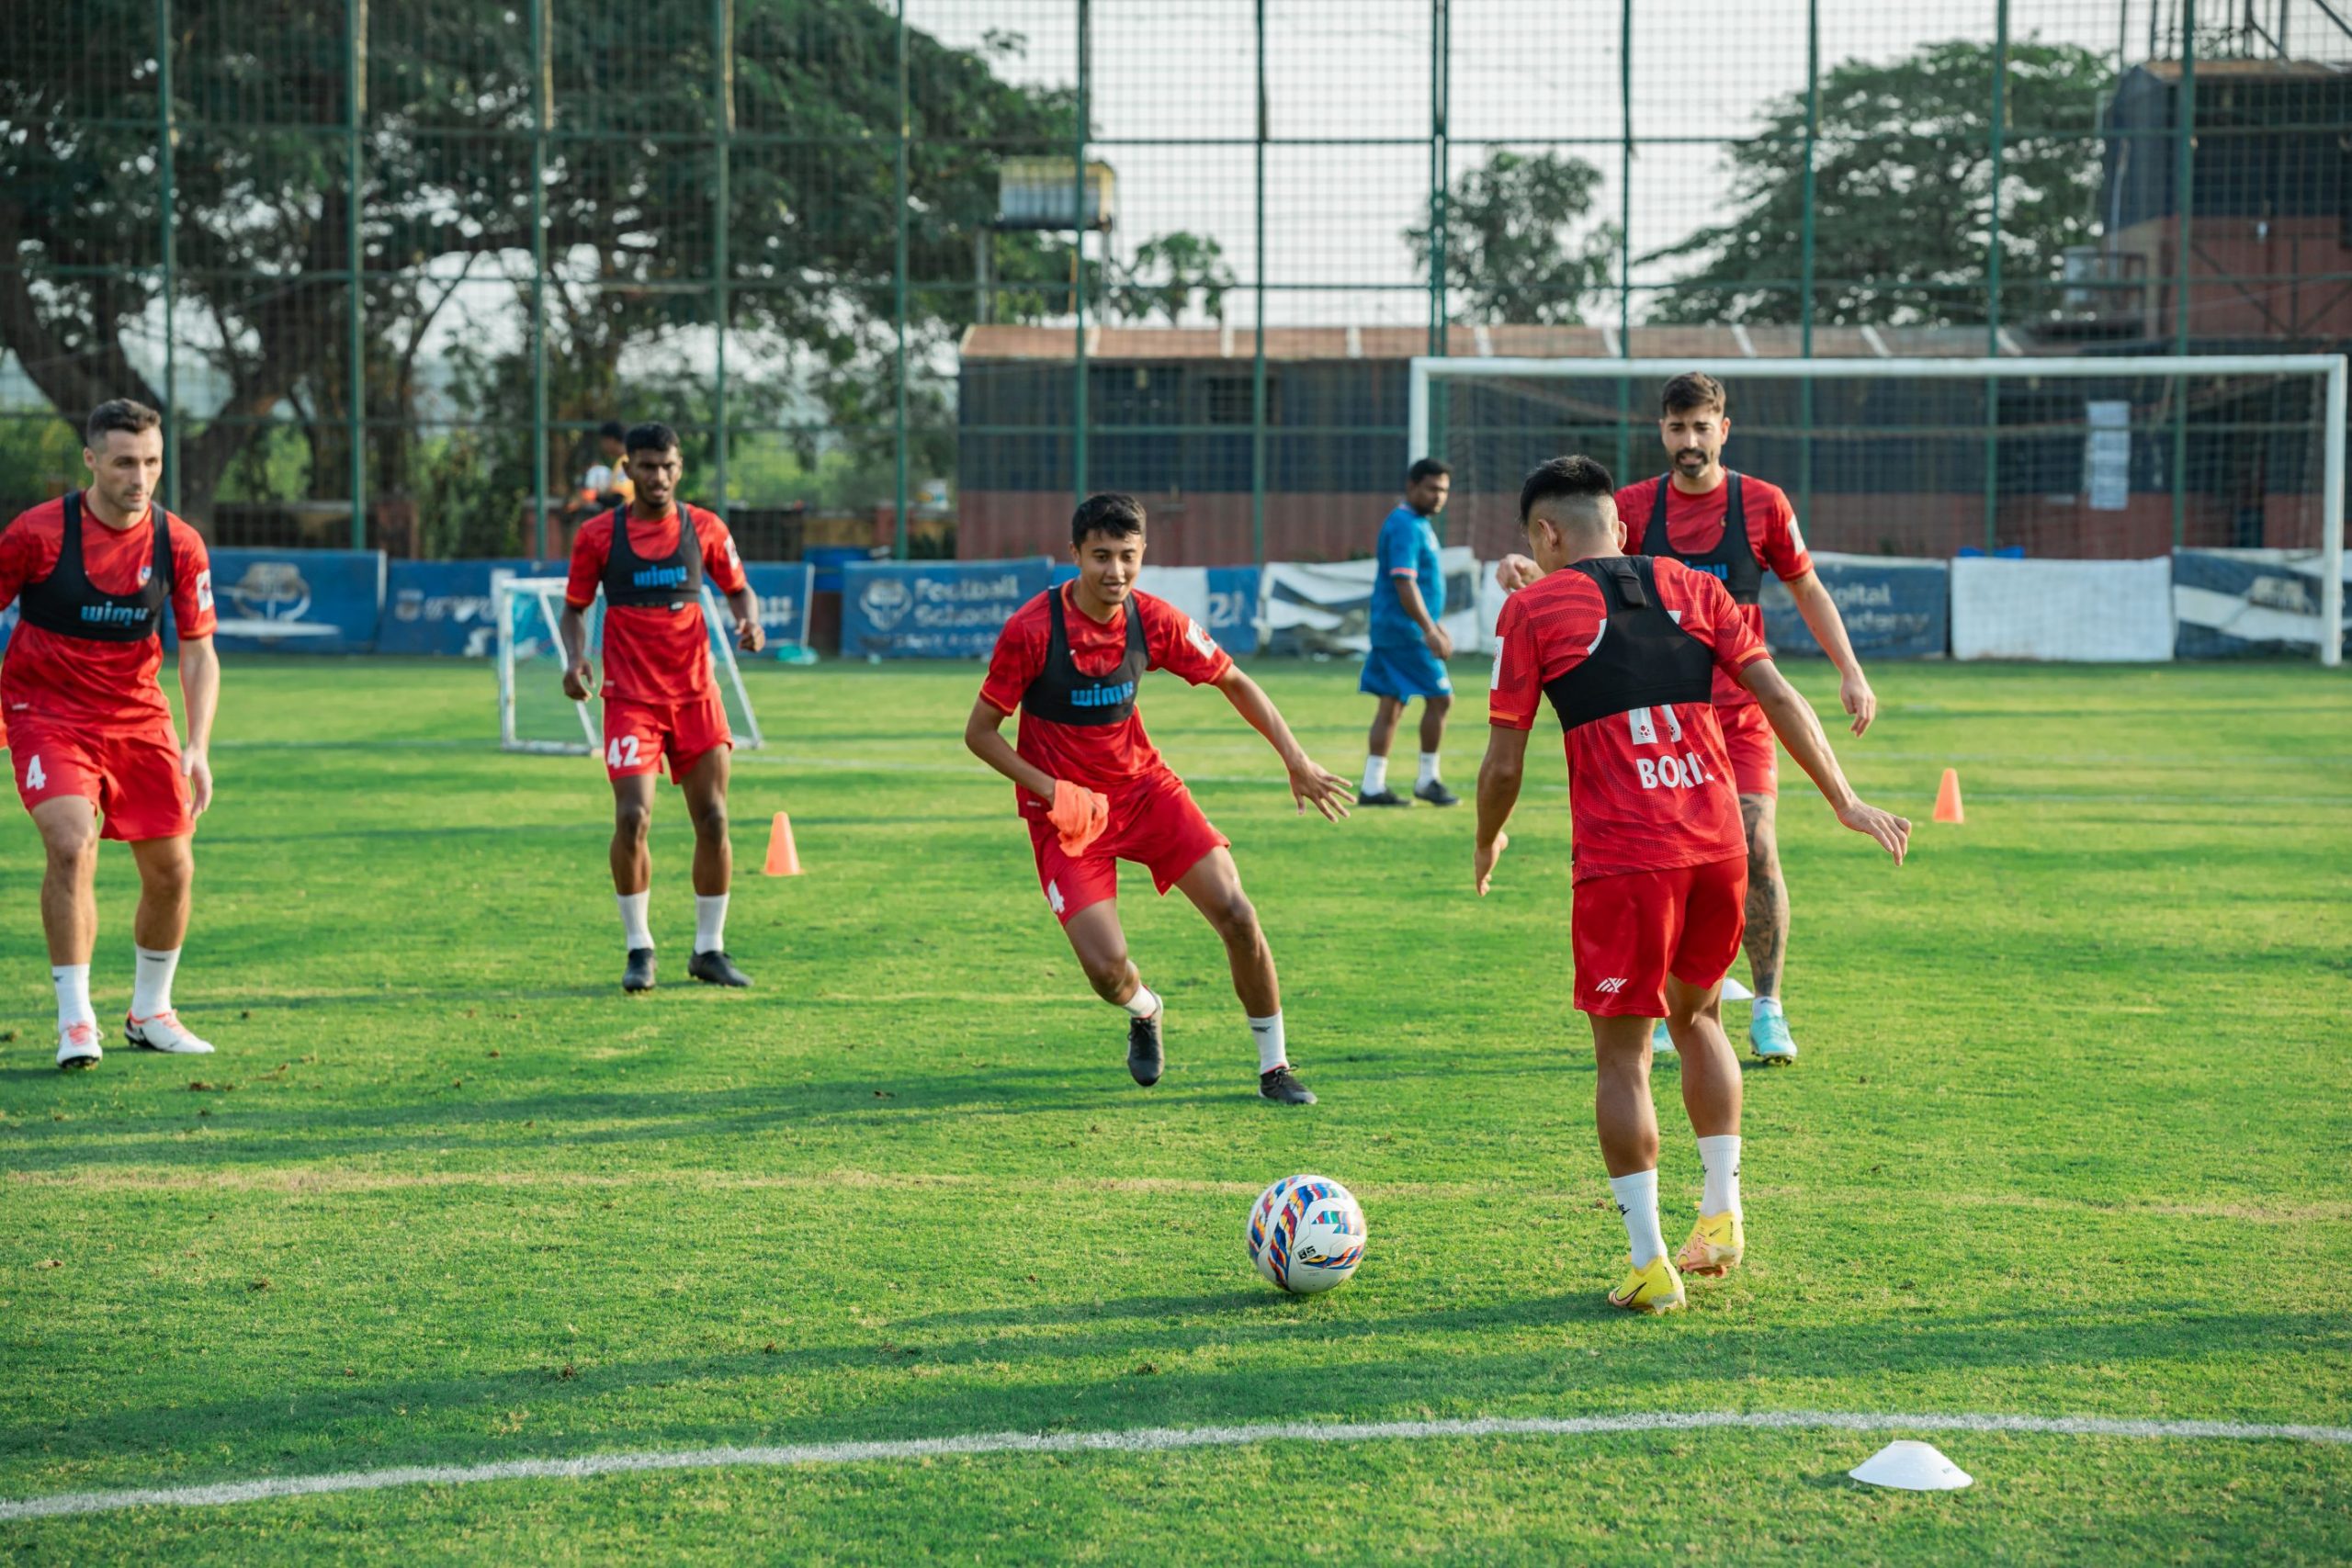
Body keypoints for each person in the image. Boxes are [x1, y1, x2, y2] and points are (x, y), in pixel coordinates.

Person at [1474, 457, 1908, 1314]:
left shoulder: (1531, 607)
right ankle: (1722, 1215)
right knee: (1701, 1015)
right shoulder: (1693, 587)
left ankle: (1649, 1262)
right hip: (1717, 846)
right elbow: (1778, 693)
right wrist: (1845, 799)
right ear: (1622, 525)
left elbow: (1503, 759)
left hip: (1626, 860)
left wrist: (1488, 840)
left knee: (1622, 1054)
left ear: (1545, 535)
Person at [1498, 373, 1877, 1063]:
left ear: (1723, 429)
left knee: (1757, 848)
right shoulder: (1634, 506)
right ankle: (1680, 999)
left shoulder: (1763, 505)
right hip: (1667, 716)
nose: (1689, 441)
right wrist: (1539, 575)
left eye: (1702, 426)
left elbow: (1808, 586)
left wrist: (1848, 668)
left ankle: (1768, 1004)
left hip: (1744, 713)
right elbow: (1597, 574)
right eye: (1677, 428)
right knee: (1668, 857)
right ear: (1662, 432)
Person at [965, 492, 1353, 1105]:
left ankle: (1274, 1067)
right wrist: (1051, 789)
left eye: (1127, 556)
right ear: (1075, 555)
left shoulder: (1154, 619)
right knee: (1107, 971)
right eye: (1100, 557)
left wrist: (1296, 758)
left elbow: (1233, 678)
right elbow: (979, 732)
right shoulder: (1030, 630)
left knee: (1238, 914)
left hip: (1147, 793)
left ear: (1143, 553)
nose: (1115, 571)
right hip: (1067, 820)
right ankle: (1146, 1011)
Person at [1, 400, 221, 1070]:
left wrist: (197, 744)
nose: (141, 476)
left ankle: (150, 1012)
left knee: (173, 869)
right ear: (92, 460)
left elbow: (199, 650)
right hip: (47, 711)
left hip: (137, 716)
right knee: (72, 843)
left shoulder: (178, 542)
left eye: (152, 462)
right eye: (126, 462)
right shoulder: (35, 534)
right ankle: (76, 1021)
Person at [560, 422, 763, 993]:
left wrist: (749, 619)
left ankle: (709, 950)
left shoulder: (704, 528)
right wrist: (575, 660)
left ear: (680, 468)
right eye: (646, 466)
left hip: (697, 696)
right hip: (631, 699)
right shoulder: (600, 536)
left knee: (715, 819)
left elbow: (739, 587)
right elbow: (575, 609)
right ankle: (639, 948)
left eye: (668, 465)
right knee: (632, 818)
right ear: (628, 470)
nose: (658, 476)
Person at [1357, 457, 1458, 807]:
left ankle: (1372, 786)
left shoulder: (1417, 523)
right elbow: (1404, 581)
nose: (1438, 496)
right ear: (1411, 486)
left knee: (1392, 704)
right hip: (1405, 633)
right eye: (1431, 488)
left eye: (1443, 490)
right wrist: (1428, 629)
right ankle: (1428, 780)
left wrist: (1434, 621)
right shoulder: (1405, 525)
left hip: (1396, 629)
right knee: (1441, 699)